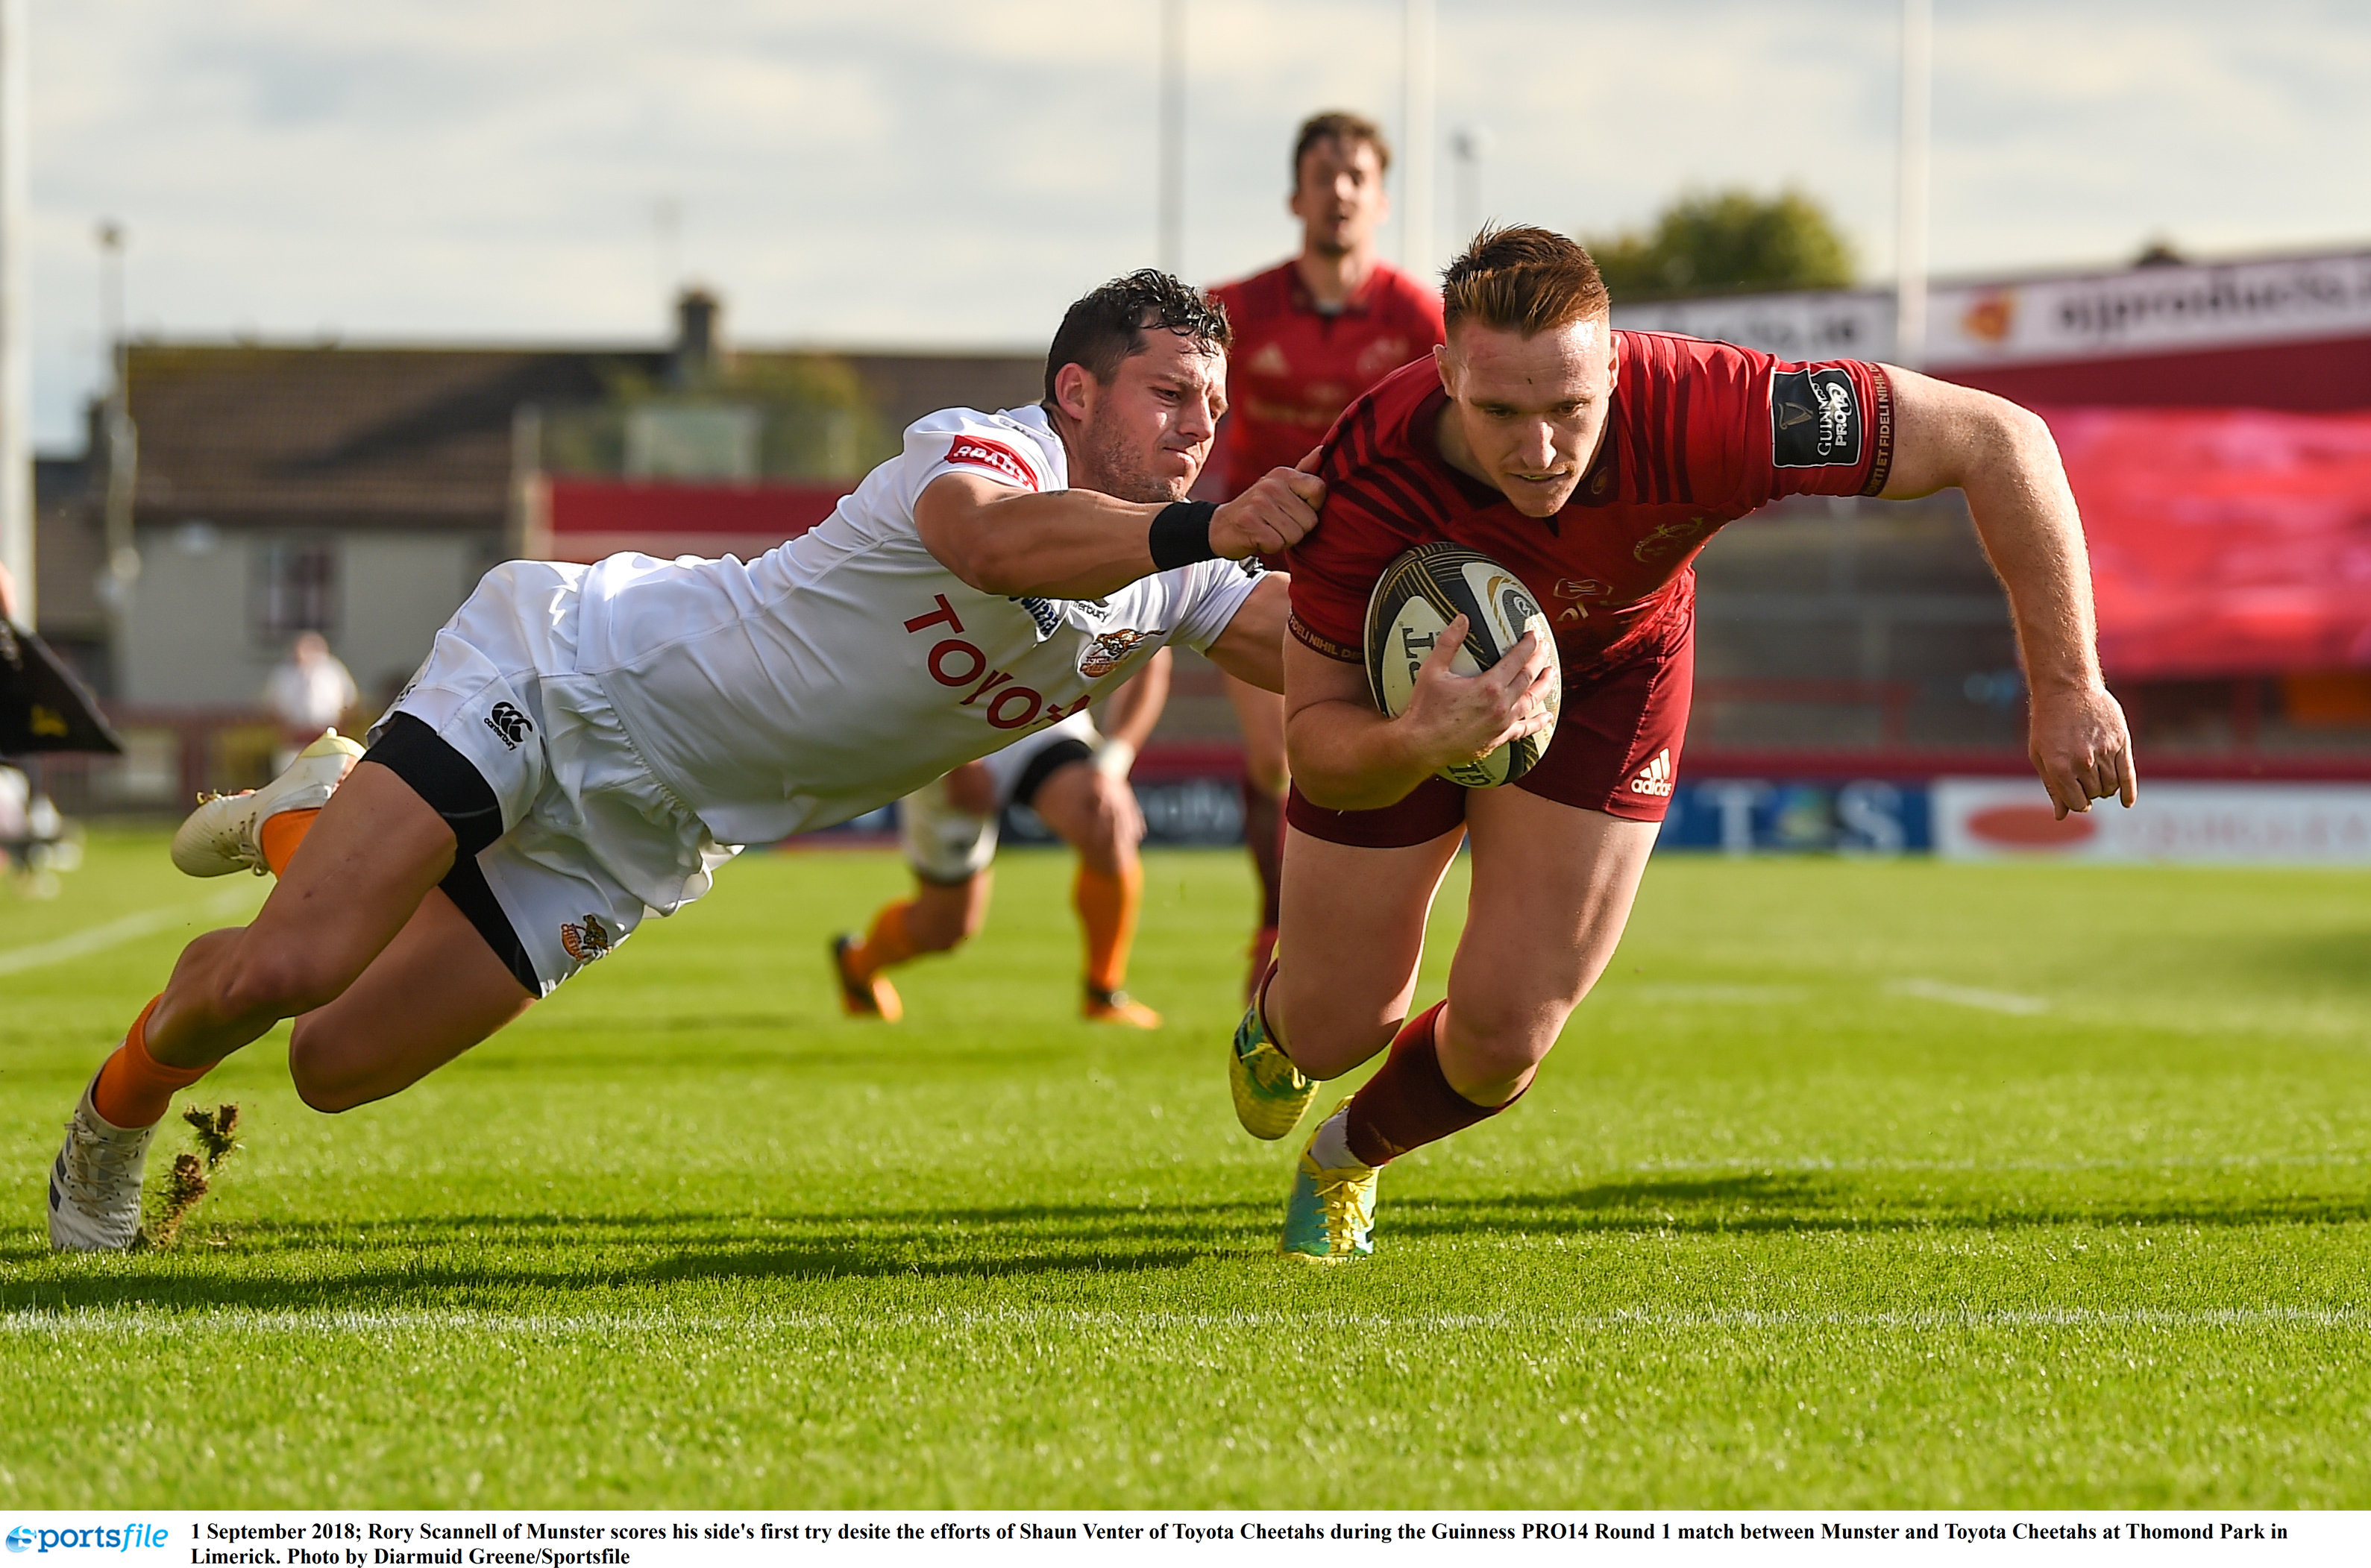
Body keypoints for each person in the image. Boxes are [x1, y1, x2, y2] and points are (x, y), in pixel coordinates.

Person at [46, 269, 1322, 1253]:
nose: (1196, 430)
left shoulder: (1184, 571)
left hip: (650, 836)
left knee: (335, 1062)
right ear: (1077, 393)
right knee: (289, 964)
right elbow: (991, 548)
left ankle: (308, 816)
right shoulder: (979, 447)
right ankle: (113, 1118)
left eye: (1211, 410)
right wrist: (1204, 527)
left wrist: (1452, 680)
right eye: (1170, 396)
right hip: (563, 674)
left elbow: (1307, 646)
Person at [1228, 227, 2137, 1261]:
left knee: (1501, 1040)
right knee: (1338, 1022)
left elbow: (1998, 438)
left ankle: (1342, 1159)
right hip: (1402, 703)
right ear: (1444, 371)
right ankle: (1279, 1029)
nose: (1536, 450)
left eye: (1568, 408)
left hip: (1614, 674)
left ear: (1614, 365)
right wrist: (1417, 735)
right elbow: (1315, 741)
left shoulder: (1714, 407)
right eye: (1499, 412)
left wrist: (2066, 685)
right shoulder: (1356, 481)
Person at [1204, 111, 1446, 993]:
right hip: (1260, 564)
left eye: (1355, 176)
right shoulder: (1234, 310)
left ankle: (1356, 933)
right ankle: (1274, 930)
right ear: (1293, 196)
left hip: (1384, 574)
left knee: (1375, 748)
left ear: (1378, 200)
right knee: (1276, 757)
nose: (1337, 191)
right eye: (1322, 174)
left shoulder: (1420, 316)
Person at [831, 649, 1174, 1027]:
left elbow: (1154, 654)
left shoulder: (1135, 590)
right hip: (951, 724)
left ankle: (1103, 993)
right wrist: (960, 760)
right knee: (945, 927)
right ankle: (858, 966)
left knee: (1103, 820)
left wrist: (1111, 768)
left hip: (1041, 712)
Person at [263, 632, 359, 772]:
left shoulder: (334, 671)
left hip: (327, 740)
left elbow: (350, 703)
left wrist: (339, 732)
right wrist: (285, 732)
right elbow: (271, 707)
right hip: (295, 742)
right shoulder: (283, 674)